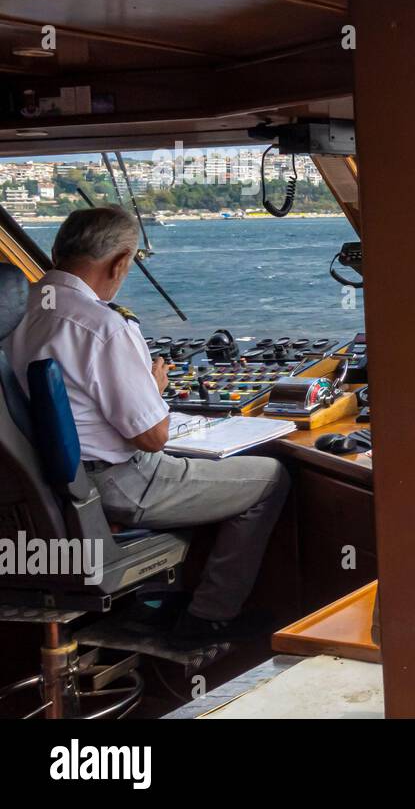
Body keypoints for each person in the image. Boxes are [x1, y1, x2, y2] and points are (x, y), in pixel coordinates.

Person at [6, 206, 289, 644]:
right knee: (271, 476)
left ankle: (155, 603)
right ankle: (209, 620)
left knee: (205, 472)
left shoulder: (24, 310)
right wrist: (153, 388)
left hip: (52, 488)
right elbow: (152, 438)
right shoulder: (102, 326)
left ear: (59, 250)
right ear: (120, 263)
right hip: (119, 483)